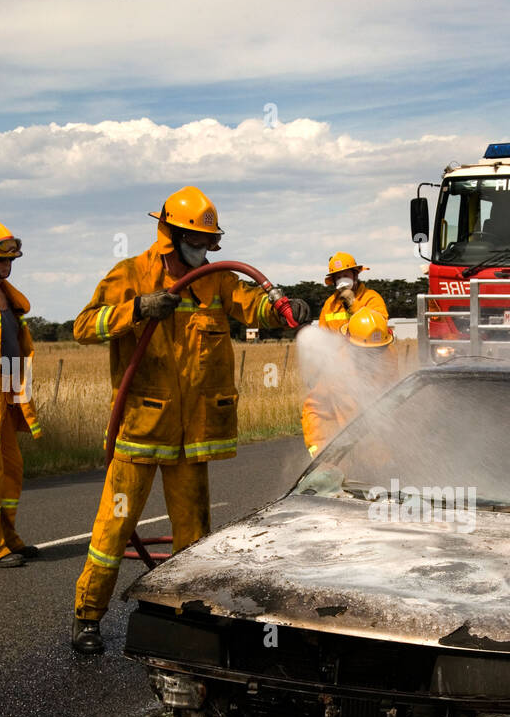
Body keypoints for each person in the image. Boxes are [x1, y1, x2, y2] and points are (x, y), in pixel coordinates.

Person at [71, 186, 309, 653]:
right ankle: (87, 616)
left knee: (194, 534)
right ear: (172, 234)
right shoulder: (130, 273)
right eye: (197, 241)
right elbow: (84, 327)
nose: (206, 250)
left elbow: (249, 303)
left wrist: (282, 309)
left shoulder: (213, 279)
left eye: (209, 242)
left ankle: (187, 617)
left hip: (191, 438)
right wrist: (137, 308)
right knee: (112, 531)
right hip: (141, 430)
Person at [0, 220, 41, 567]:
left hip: (6, 393)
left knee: (12, 469)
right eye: (0, 258)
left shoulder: (7, 297)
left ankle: (9, 538)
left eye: (11, 259)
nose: (8, 264)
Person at [302, 310, 398, 458]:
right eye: (368, 351)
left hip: (381, 447)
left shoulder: (388, 355)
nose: (375, 355)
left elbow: (395, 396)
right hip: (347, 450)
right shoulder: (336, 366)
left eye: (379, 349)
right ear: (351, 345)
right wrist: (319, 450)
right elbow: (314, 409)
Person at [318, 252, 388, 333]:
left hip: (365, 345)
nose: (342, 280)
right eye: (338, 277)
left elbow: (379, 327)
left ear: (355, 275)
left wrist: (353, 303)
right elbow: (322, 334)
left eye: (346, 276)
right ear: (334, 280)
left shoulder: (371, 298)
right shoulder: (329, 304)